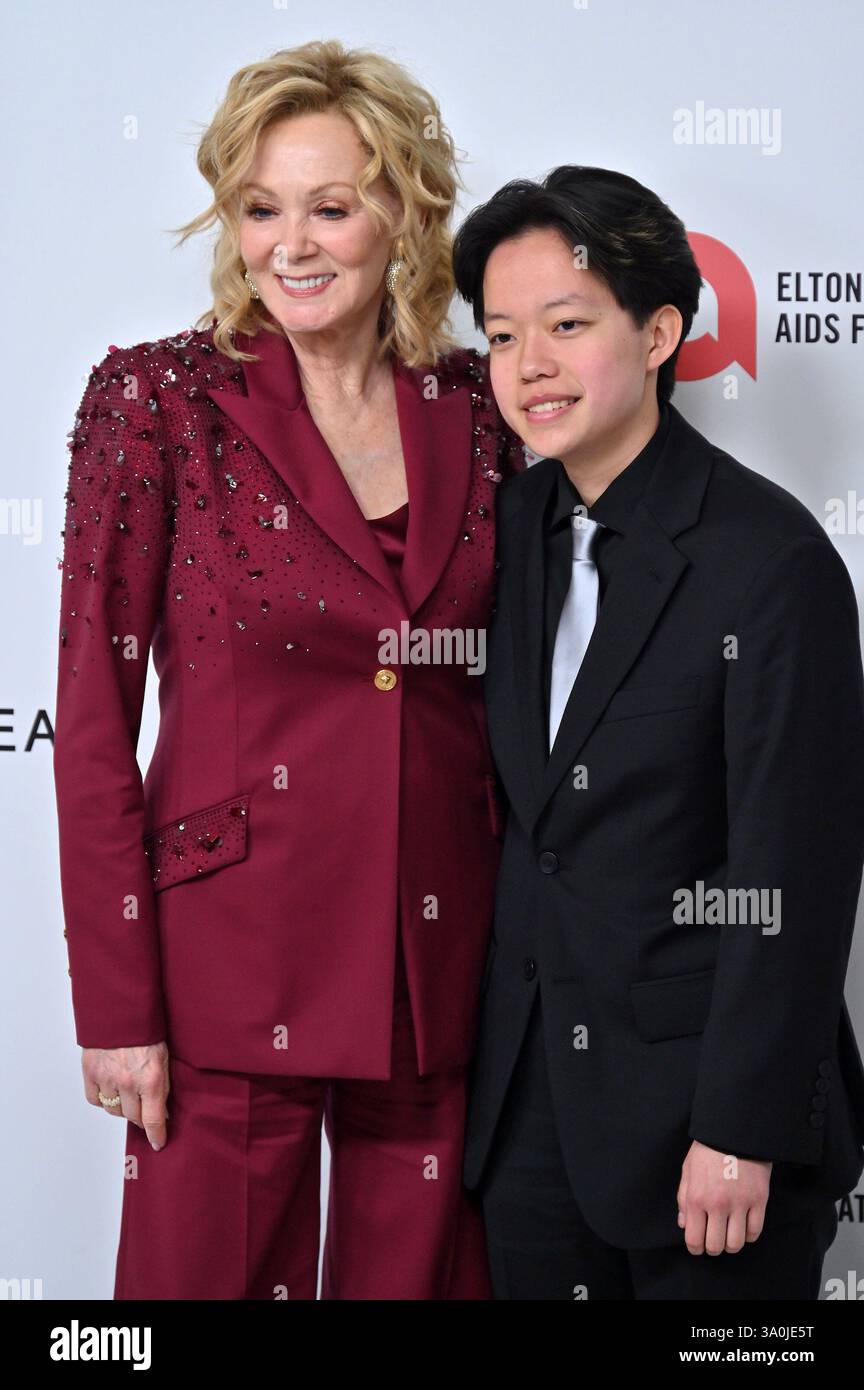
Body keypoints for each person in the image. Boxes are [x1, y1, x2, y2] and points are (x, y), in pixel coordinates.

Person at [53, 40, 521, 1301]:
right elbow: (93, 720)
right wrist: (116, 1002)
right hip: (224, 974)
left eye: (332, 204)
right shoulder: (153, 400)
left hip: (431, 967)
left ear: (405, 214)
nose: (292, 244)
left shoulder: (481, 408)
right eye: (262, 208)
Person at [451, 165, 864, 1300]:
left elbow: (798, 873)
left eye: (568, 325)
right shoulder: (515, 528)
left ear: (660, 331)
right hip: (531, 1123)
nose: (528, 364)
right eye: (499, 335)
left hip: (709, 1134)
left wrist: (742, 1127)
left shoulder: (770, 562)